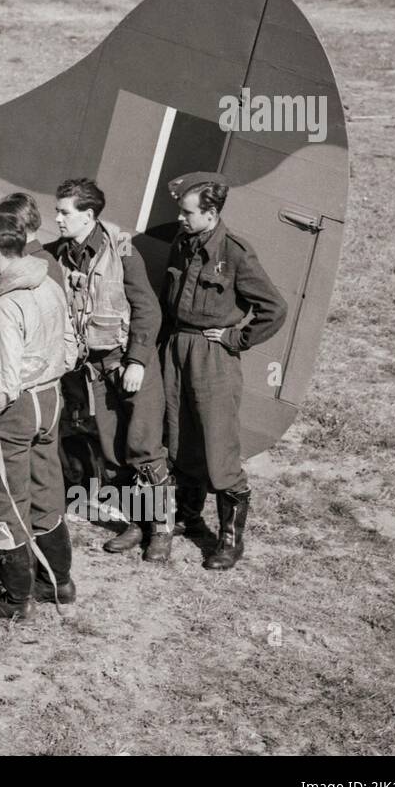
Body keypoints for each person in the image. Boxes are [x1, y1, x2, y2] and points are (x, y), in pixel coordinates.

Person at [160, 172, 287, 570]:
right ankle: (189, 517)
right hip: (177, 349)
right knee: (179, 436)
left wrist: (236, 338)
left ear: (211, 214)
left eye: (188, 213)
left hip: (212, 356)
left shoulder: (234, 252)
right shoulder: (183, 242)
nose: (180, 218)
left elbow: (274, 308)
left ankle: (230, 540)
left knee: (218, 443)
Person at [46, 177, 174, 563]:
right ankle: (136, 522)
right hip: (94, 369)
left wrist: (136, 361)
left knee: (144, 447)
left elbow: (148, 309)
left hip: (128, 362)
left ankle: (161, 529)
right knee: (112, 448)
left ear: (88, 215)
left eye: (64, 212)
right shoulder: (60, 254)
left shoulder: (121, 250)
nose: (57, 219)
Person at [0, 213, 78, 619]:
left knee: (4, 499)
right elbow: (70, 347)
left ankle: (18, 599)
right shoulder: (50, 283)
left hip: (16, 409)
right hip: (50, 399)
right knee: (46, 488)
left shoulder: (5, 305)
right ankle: (59, 582)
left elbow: (6, 379)